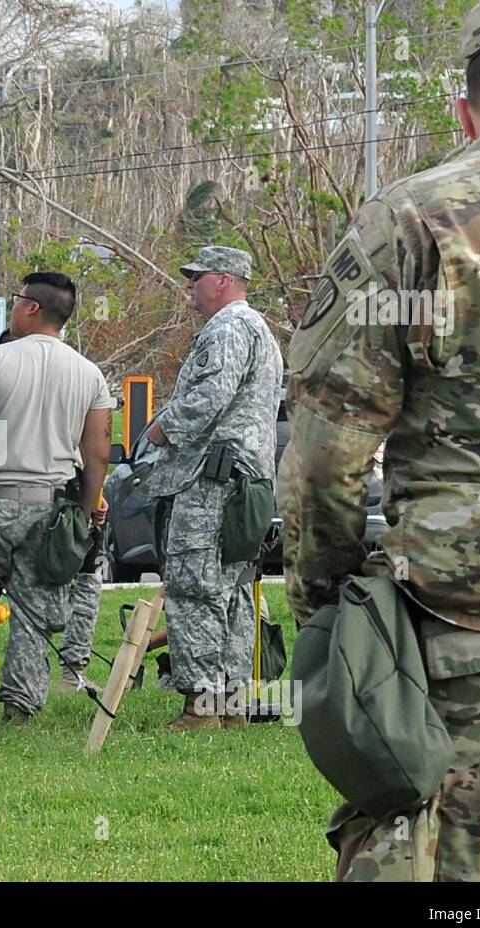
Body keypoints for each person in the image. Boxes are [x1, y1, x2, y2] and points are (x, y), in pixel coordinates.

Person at [279, 0, 480, 881]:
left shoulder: (414, 222)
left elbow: (324, 456)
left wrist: (333, 617)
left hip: (476, 630)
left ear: (464, 112)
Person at [0, 271, 114, 729]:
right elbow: (98, 455)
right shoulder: (89, 374)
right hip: (52, 509)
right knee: (34, 612)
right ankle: (20, 712)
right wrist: (85, 518)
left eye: (15, 300)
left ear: (31, 307)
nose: (11, 307)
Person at [143, 245, 283, 731]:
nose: (190, 288)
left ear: (223, 280)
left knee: (195, 587)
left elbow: (210, 395)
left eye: (197, 278)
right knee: (235, 590)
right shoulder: (261, 330)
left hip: (212, 481)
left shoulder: (226, 328)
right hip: (247, 485)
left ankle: (200, 708)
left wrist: (161, 427)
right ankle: (230, 705)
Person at [0, 327, 105, 694]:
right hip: (27, 497)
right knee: (36, 599)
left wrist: (93, 503)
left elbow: (90, 451)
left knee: (80, 584)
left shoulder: (66, 374)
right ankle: (27, 684)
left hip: (67, 497)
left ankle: (72, 669)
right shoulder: (2, 378)